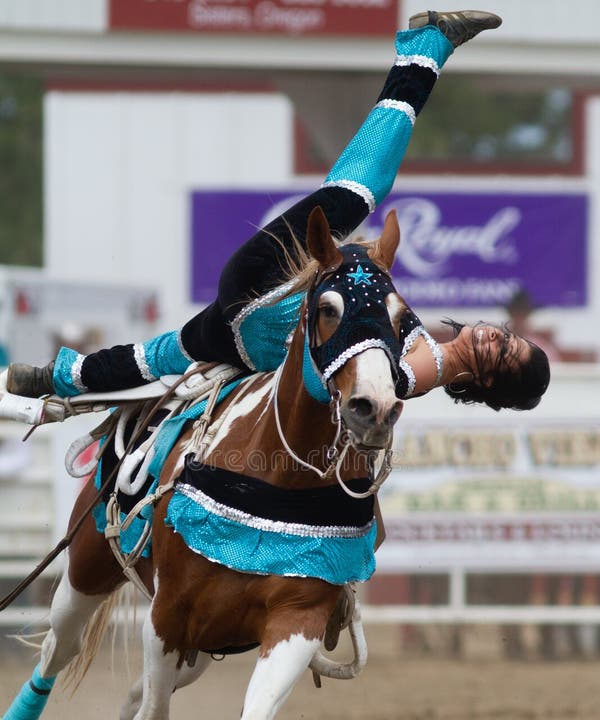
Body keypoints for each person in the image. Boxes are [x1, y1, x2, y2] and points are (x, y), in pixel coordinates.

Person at [0, 10, 550, 424]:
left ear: (487, 380)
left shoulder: (427, 367)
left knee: (358, 191)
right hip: (253, 337)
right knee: (161, 354)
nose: (492, 337)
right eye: (505, 335)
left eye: (502, 350)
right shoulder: (432, 349)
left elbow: (381, 376)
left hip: (268, 305)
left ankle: (426, 45)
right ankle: (50, 379)